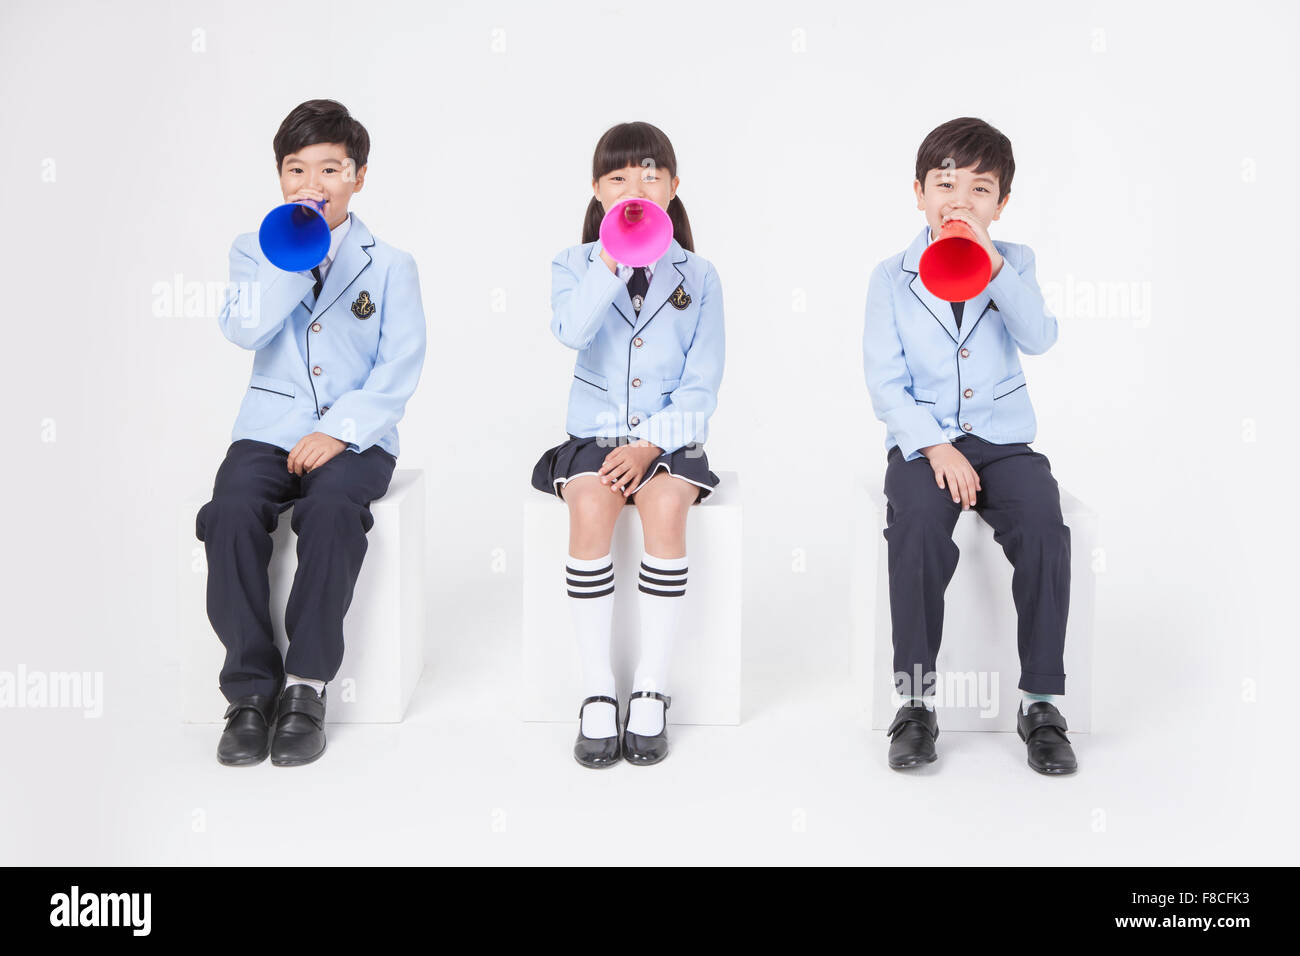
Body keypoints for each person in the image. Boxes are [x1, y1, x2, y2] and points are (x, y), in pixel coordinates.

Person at [196, 99, 426, 767]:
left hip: (358, 437)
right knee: (231, 512)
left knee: (330, 512)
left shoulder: (391, 264)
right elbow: (244, 331)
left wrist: (342, 431)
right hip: (267, 428)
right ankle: (247, 692)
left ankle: (306, 685)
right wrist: (294, 257)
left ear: (358, 176)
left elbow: (400, 365)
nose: (313, 184)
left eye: (330, 168)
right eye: (297, 170)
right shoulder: (253, 251)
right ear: (280, 178)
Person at [863, 116, 1077, 775]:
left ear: (1001, 204)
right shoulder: (889, 277)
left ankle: (1040, 701)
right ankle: (917, 701)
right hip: (925, 446)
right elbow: (885, 382)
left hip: (1005, 443)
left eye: (980, 188)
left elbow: (1040, 337)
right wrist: (933, 448)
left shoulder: (1016, 261)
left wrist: (993, 266)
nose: (960, 199)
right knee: (919, 533)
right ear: (919, 192)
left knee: (1045, 528)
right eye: (946, 183)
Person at [531, 121, 724, 768]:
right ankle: (596, 691)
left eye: (649, 174)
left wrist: (650, 446)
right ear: (596, 189)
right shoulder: (573, 264)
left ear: (672, 188)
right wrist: (611, 257)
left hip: (670, 440)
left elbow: (703, 383)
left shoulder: (700, 276)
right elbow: (570, 328)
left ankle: (651, 687)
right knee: (591, 509)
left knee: (665, 510)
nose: (633, 186)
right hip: (594, 436)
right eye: (617, 177)